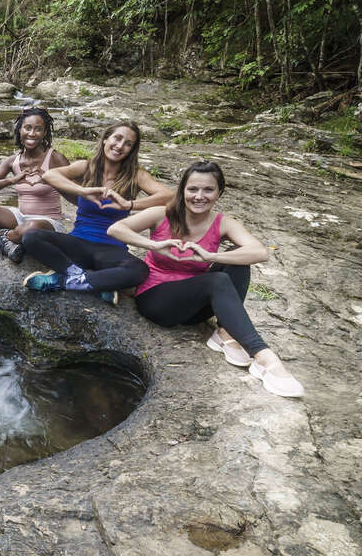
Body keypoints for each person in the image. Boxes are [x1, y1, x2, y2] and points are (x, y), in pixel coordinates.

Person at [106, 161, 305, 398]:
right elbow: (116, 229)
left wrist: (211, 256)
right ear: (182, 190)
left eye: (208, 190)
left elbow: (260, 252)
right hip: (157, 301)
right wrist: (155, 245)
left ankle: (225, 334)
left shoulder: (224, 222)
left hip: (195, 304)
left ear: (219, 192)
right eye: (193, 189)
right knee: (218, 280)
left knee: (237, 260)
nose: (199, 196)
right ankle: (264, 357)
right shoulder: (163, 213)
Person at [20, 121, 172, 302]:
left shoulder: (136, 175)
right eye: (117, 138)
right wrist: (82, 191)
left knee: (139, 270)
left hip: (110, 250)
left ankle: (64, 281)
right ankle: (94, 281)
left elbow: (169, 196)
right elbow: (49, 175)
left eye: (128, 143)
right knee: (31, 237)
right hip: (77, 243)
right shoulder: (86, 167)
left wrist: (128, 204)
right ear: (106, 139)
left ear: (132, 150)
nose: (120, 146)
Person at [0, 107, 70, 263]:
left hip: (48, 222)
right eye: (28, 128)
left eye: (38, 129)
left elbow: (77, 192)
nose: (32, 133)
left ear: (45, 133)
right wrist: (11, 180)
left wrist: (52, 180)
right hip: (20, 217)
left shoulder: (56, 158)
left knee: (29, 229)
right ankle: (1, 241)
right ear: (20, 130)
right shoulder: (13, 161)